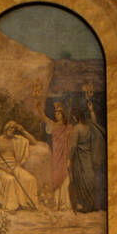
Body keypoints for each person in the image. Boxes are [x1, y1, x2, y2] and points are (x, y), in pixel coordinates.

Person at [36, 81, 75, 211]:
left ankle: (65, 203)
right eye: (56, 113)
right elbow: (43, 117)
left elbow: (70, 143)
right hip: (56, 155)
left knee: (66, 179)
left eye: (58, 113)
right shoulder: (53, 125)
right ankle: (58, 202)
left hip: (65, 155)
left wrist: (69, 158)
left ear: (63, 114)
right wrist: (38, 105)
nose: (56, 115)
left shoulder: (68, 127)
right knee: (56, 175)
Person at [0, 122, 38, 211]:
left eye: (14, 128)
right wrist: (5, 169)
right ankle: (11, 206)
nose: (12, 130)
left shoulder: (17, 140)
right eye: (10, 128)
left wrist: (23, 130)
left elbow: (34, 142)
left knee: (30, 179)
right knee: (10, 180)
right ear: (5, 128)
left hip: (15, 166)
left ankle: (27, 203)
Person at [68, 107, 107, 213]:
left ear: (76, 117)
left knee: (82, 181)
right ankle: (92, 205)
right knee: (90, 179)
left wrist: (69, 158)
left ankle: (86, 206)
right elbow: (95, 124)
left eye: (73, 117)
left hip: (80, 158)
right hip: (89, 156)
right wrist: (92, 111)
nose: (73, 119)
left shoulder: (77, 128)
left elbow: (74, 145)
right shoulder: (89, 126)